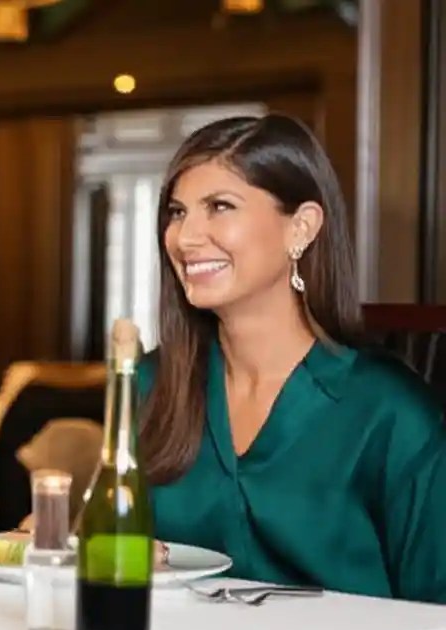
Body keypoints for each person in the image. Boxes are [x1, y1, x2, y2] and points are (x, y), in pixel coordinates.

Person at [139, 114, 446, 603]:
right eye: (177, 212)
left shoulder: (391, 413)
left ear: (301, 227)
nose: (185, 237)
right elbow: (117, 549)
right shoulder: (149, 383)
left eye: (219, 206)